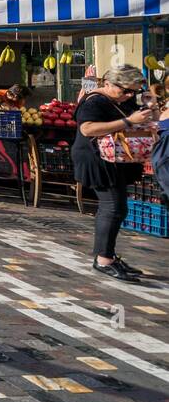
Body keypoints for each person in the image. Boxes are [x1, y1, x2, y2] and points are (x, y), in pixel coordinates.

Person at [72, 66, 154, 283]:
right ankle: (104, 260)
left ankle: (108, 256)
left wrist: (148, 107)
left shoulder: (122, 100)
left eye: (133, 92)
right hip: (96, 160)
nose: (129, 95)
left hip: (115, 160)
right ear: (108, 84)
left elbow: (138, 117)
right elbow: (87, 129)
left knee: (115, 208)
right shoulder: (94, 101)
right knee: (113, 208)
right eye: (126, 90)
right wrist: (128, 121)